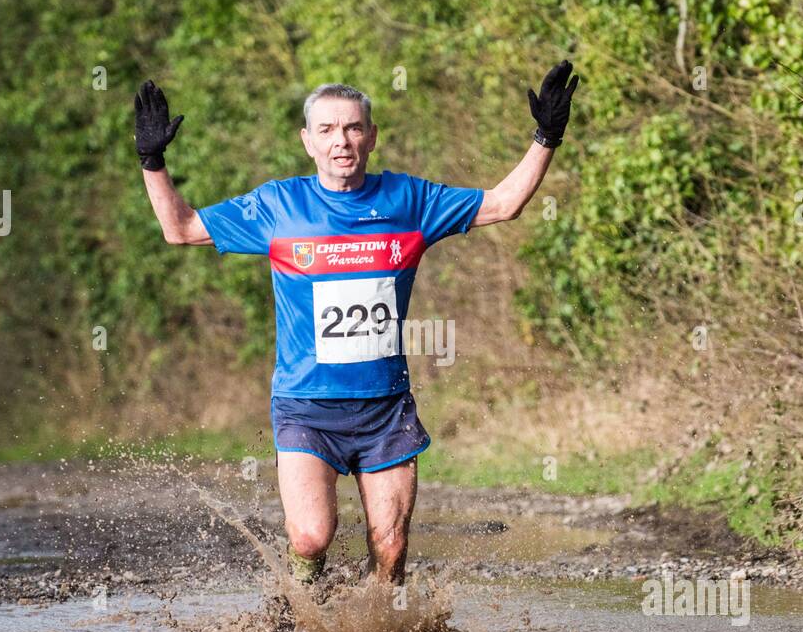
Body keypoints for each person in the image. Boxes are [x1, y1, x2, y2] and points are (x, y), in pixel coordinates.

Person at [136, 61, 579, 589]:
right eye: (326, 130)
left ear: (371, 137)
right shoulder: (279, 205)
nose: (340, 140)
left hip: (385, 410)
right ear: (308, 141)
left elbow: (503, 204)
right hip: (306, 407)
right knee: (310, 538)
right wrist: (152, 159)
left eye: (351, 128)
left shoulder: (409, 201)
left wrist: (546, 136)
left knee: (390, 548)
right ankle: (296, 610)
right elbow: (180, 228)